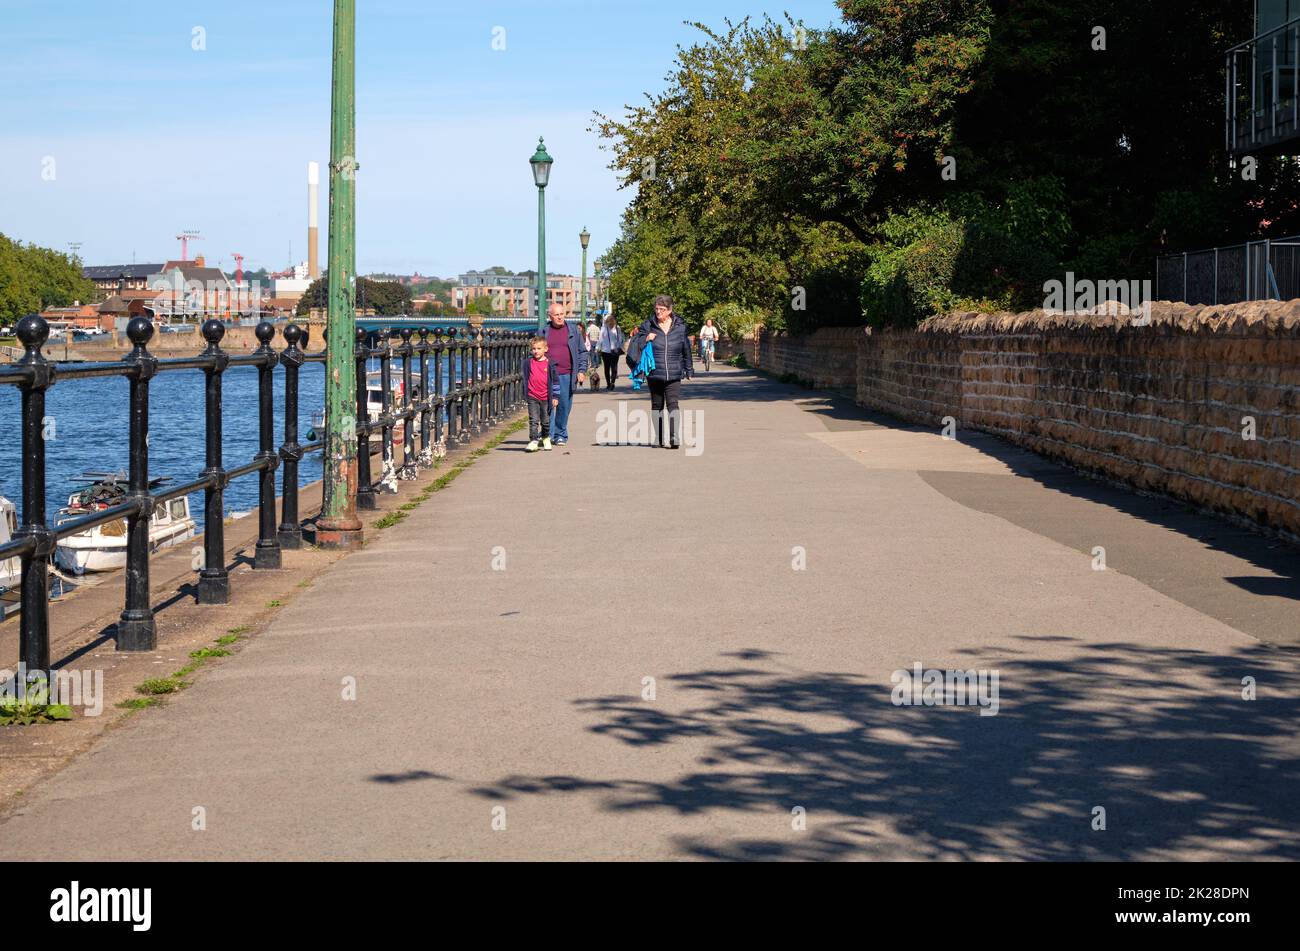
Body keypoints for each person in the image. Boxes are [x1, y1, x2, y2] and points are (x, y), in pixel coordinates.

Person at [635, 294, 693, 448]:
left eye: (661, 309)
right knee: (657, 405)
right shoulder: (648, 325)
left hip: (674, 372)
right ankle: (659, 437)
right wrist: (646, 338)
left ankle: (674, 438)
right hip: (654, 372)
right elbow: (637, 342)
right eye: (656, 309)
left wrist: (689, 368)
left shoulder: (680, 327)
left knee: (673, 404)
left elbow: (686, 347)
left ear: (669, 310)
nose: (658, 312)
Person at [543, 303, 588, 446]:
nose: (560, 317)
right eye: (556, 315)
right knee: (547, 405)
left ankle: (560, 434)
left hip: (567, 374)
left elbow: (582, 351)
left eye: (562, 314)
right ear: (550, 316)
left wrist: (581, 370)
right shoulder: (543, 331)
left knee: (564, 405)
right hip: (548, 374)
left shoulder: (573, 330)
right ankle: (548, 435)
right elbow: (536, 351)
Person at [522, 336, 559, 452]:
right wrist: (526, 392)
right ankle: (533, 440)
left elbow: (556, 381)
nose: (536, 351)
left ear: (545, 349)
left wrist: (555, 396)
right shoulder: (529, 363)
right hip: (532, 395)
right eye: (533, 349)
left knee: (545, 421)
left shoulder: (550, 364)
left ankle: (546, 437)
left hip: (546, 397)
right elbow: (525, 378)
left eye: (539, 348)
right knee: (533, 420)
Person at [597, 315, 625, 390]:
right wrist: (597, 348)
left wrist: (618, 346)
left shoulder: (617, 328)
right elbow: (600, 339)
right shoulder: (604, 328)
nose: (611, 322)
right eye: (609, 321)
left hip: (614, 350)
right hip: (605, 351)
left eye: (611, 321)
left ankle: (612, 383)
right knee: (607, 368)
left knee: (614, 368)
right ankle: (608, 383)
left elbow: (620, 338)